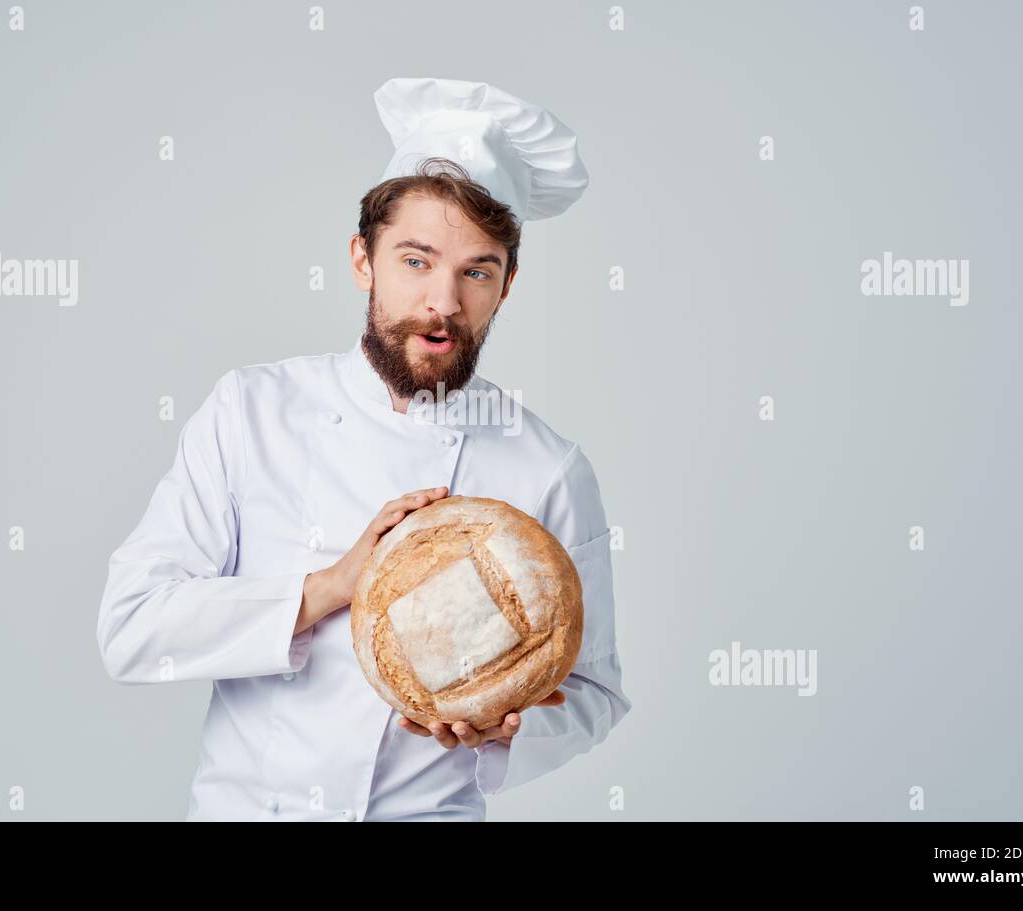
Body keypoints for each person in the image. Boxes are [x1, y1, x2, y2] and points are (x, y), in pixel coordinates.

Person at [97, 77, 631, 821]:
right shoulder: (252, 412)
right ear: (361, 259)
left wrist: (498, 728)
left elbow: (595, 694)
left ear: (506, 288)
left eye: (476, 270)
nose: (442, 302)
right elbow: (132, 626)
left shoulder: (548, 468)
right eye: (415, 260)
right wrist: (331, 586)